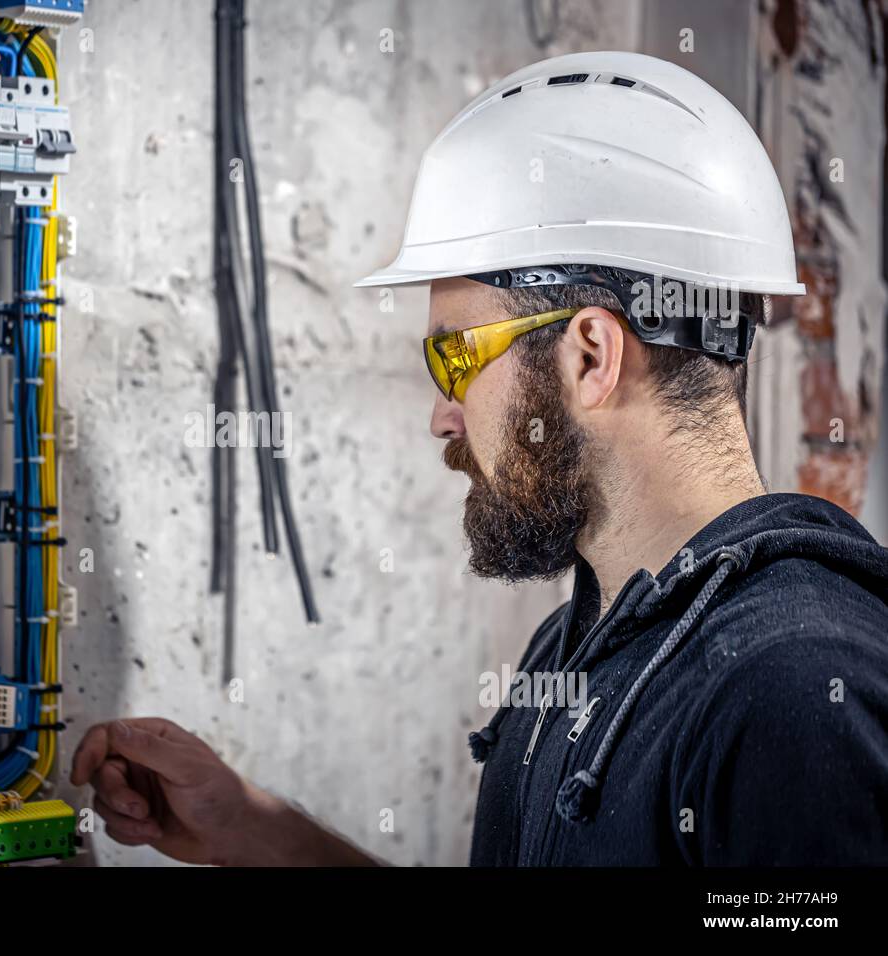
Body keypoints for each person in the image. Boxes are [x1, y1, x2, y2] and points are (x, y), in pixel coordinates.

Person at [71, 51, 888, 865]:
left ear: (591, 356)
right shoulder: (588, 644)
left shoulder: (797, 696)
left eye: (455, 360)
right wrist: (254, 832)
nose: (442, 415)